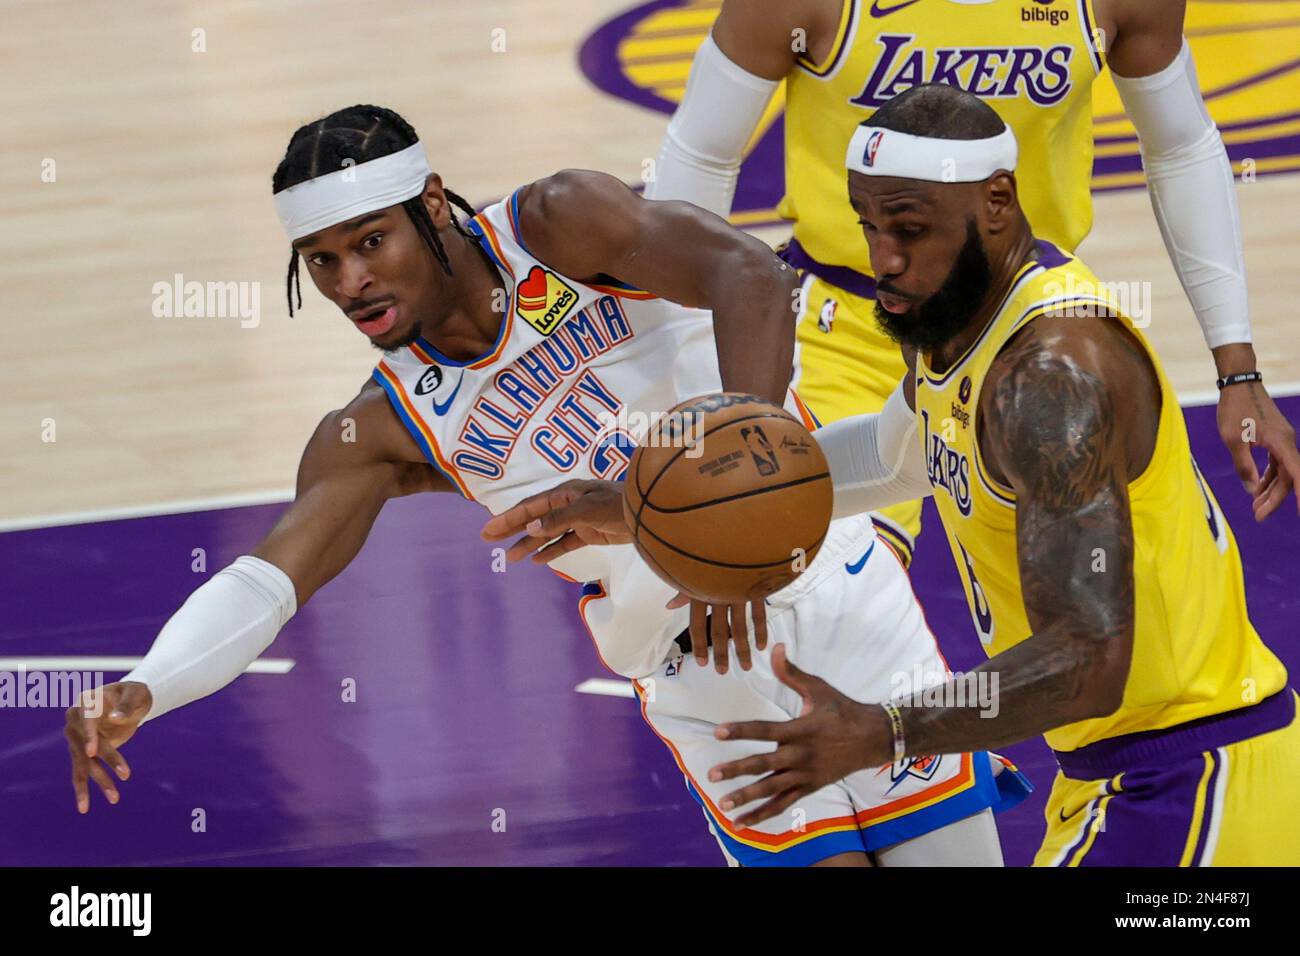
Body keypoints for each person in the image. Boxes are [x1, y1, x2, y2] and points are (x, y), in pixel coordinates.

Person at [63, 104, 1027, 867]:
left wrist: (730, 502)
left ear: (432, 205)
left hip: (828, 585)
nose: (351, 281)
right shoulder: (383, 427)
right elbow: (271, 579)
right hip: (697, 668)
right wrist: (148, 685)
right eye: (323, 262)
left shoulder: (562, 223)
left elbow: (751, 279)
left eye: (369, 243)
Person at [699, 84, 1300, 865]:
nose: (881, 259)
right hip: (1117, 776)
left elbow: (1086, 662)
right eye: (869, 225)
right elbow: (891, 461)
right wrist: (693, 504)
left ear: (997, 201)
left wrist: (882, 733)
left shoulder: (1052, 375)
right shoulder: (949, 320)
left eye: (909, 230)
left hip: (1194, 780)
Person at [645, 0, 1300, 564]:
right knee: (820, 596)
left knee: (1121, 602)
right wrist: (692, 386)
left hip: (1032, 325)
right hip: (850, 327)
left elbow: (1182, 145)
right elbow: (701, 153)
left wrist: (1238, 369)